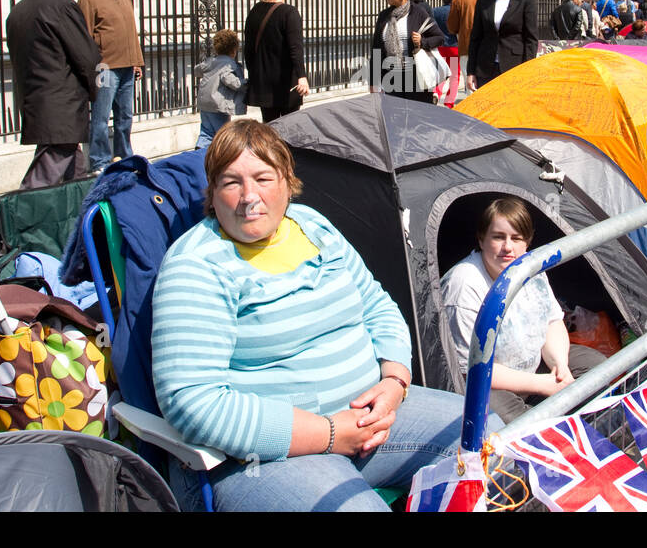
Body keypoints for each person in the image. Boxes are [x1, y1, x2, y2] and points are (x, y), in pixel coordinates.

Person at [151, 119, 471, 511]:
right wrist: (329, 433)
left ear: (287, 181)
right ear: (213, 195)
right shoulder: (197, 265)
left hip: (372, 420)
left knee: (489, 440)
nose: (249, 196)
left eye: (263, 178)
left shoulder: (313, 226)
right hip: (263, 458)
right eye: (231, 182)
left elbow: (378, 306)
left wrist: (394, 383)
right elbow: (192, 401)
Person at [442, 197, 605, 423]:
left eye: (516, 238)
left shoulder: (530, 266)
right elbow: (470, 369)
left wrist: (560, 366)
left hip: (534, 365)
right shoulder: (463, 284)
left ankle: (578, 432)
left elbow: (552, 322)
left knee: (596, 368)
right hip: (489, 383)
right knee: (516, 424)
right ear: (481, 240)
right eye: (498, 237)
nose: (507, 247)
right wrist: (542, 384)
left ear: (526, 243)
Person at [6, 0, 101, 189]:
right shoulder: (61, 6)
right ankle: (21, 221)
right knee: (43, 179)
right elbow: (87, 57)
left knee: (75, 175)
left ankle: (80, 219)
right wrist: (96, 89)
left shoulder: (18, 10)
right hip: (61, 107)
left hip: (37, 102)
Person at [79, 0, 144, 175]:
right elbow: (84, 35)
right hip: (105, 67)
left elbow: (131, 32)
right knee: (101, 115)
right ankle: (99, 161)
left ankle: (124, 155)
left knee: (125, 115)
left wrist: (137, 61)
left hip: (127, 66)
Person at [243, 0, 309, 122]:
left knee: (270, 126)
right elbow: (296, 48)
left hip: (263, 82)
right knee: (290, 127)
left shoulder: (255, 10)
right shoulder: (289, 12)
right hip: (285, 82)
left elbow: (248, 49)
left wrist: (255, 73)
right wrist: (302, 76)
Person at [467, 0, 539, 90]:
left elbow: (531, 40)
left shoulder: (527, 1)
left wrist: (529, 71)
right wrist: (471, 71)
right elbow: (475, 37)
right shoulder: (484, 0)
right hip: (485, 68)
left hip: (514, 67)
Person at [370, 0, 444, 103]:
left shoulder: (418, 13)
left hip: (416, 76)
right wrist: (374, 80)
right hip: (391, 77)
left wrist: (422, 42)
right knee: (394, 118)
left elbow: (439, 37)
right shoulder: (384, 16)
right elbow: (376, 49)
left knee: (417, 118)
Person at [193, 28, 245, 149]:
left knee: (206, 132)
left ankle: (200, 153)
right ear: (234, 49)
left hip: (204, 103)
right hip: (218, 105)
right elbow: (232, 82)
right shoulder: (229, 64)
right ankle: (222, 157)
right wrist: (246, 83)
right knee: (223, 134)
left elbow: (197, 70)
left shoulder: (210, 62)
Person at [447, 0, 486, 96]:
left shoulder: (458, 0)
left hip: (466, 46)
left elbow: (452, 27)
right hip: (486, 46)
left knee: (470, 85)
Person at [432, 0, 462, 108]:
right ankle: (449, 101)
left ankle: (436, 92)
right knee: (454, 75)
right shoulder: (457, 12)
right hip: (454, 47)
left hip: (440, 47)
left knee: (440, 73)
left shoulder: (435, 11)